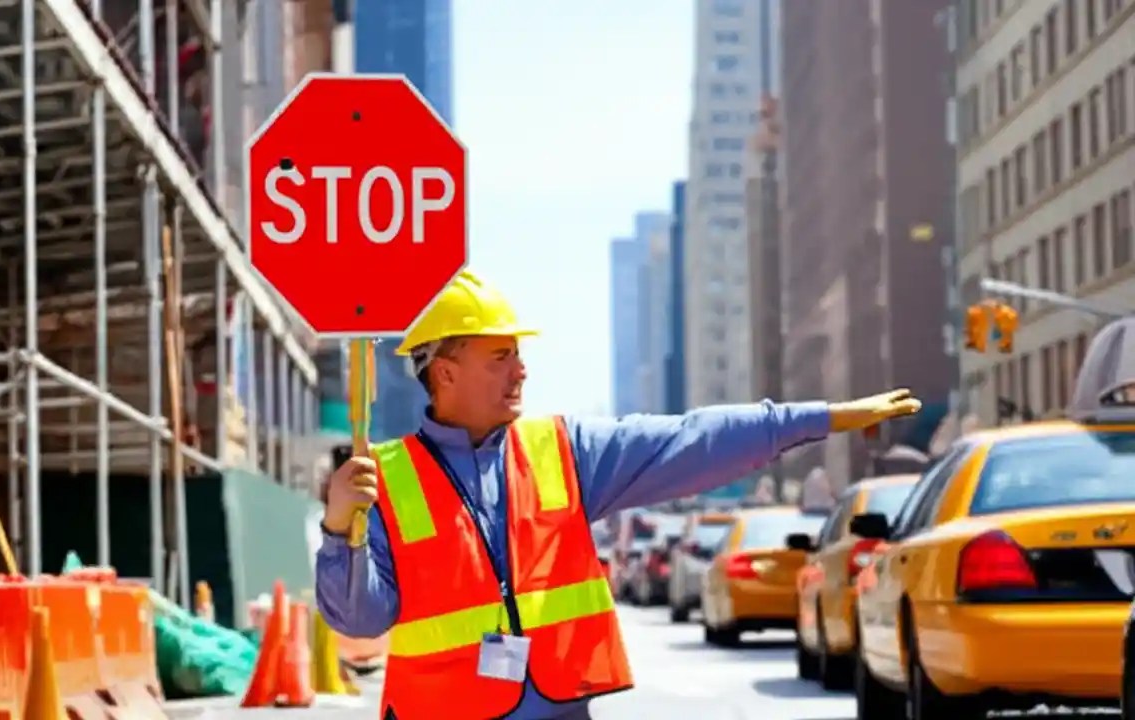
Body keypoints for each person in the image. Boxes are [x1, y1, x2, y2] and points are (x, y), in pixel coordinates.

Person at [316, 270, 920, 720]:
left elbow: (694, 439)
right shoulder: (384, 478)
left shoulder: (563, 451)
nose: (521, 371)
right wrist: (341, 530)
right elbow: (361, 620)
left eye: (519, 355)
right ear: (445, 372)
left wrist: (821, 418)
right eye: (501, 357)